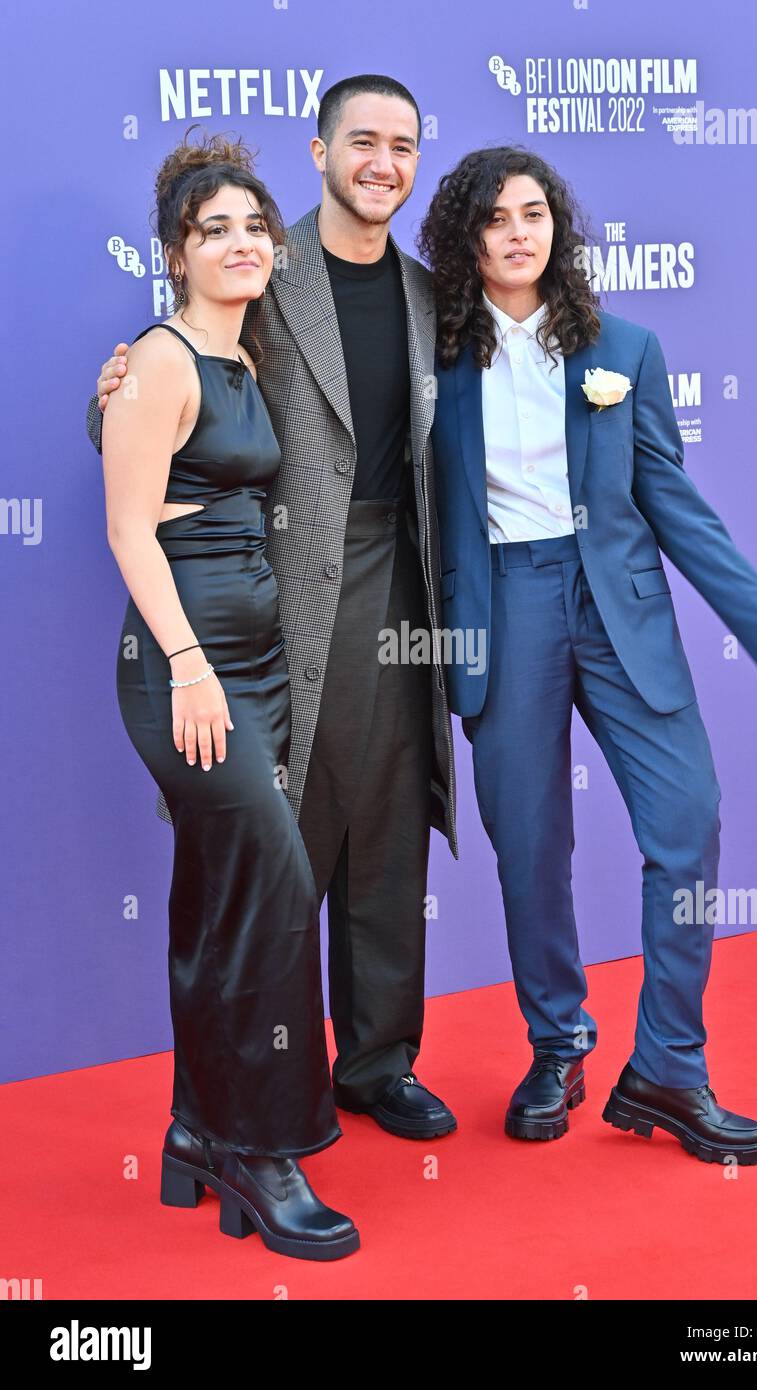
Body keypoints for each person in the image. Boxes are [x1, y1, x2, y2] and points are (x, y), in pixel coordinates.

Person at [420, 147, 757, 1164]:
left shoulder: (623, 349)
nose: (519, 232)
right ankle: (557, 1044)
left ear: (558, 227)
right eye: (495, 218)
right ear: (465, 242)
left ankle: (668, 1068)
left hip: (619, 609)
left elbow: (671, 500)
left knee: (687, 824)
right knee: (530, 846)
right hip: (502, 607)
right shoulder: (432, 358)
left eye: (534, 213)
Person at [87, 78, 458, 1140]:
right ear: (320, 151)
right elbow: (158, 392)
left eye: (402, 145)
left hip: (406, 581)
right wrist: (106, 393)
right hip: (284, 589)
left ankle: (379, 1059)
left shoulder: (433, 296)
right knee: (281, 840)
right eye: (362, 142)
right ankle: (257, 1101)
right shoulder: (262, 259)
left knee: (388, 825)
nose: (381, 162)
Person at [101, 128, 358, 1258]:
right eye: (217, 231)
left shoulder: (246, 361)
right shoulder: (157, 359)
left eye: (258, 227)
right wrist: (193, 667)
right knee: (276, 884)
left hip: (252, 665)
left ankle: (198, 1129)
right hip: (184, 670)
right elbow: (125, 526)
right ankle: (263, 1150)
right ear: (175, 253)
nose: (244, 243)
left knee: (219, 901)